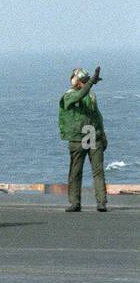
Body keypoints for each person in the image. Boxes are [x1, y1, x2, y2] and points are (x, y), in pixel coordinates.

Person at [59, 66, 107, 212]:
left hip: (92, 133)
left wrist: (102, 134)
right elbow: (79, 96)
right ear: (76, 81)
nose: (85, 83)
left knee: (97, 170)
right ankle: (75, 202)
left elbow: (96, 115)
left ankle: (101, 202)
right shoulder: (69, 95)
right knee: (76, 171)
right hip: (77, 137)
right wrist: (91, 82)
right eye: (84, 80)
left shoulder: (91, 95)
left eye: (87, 80)